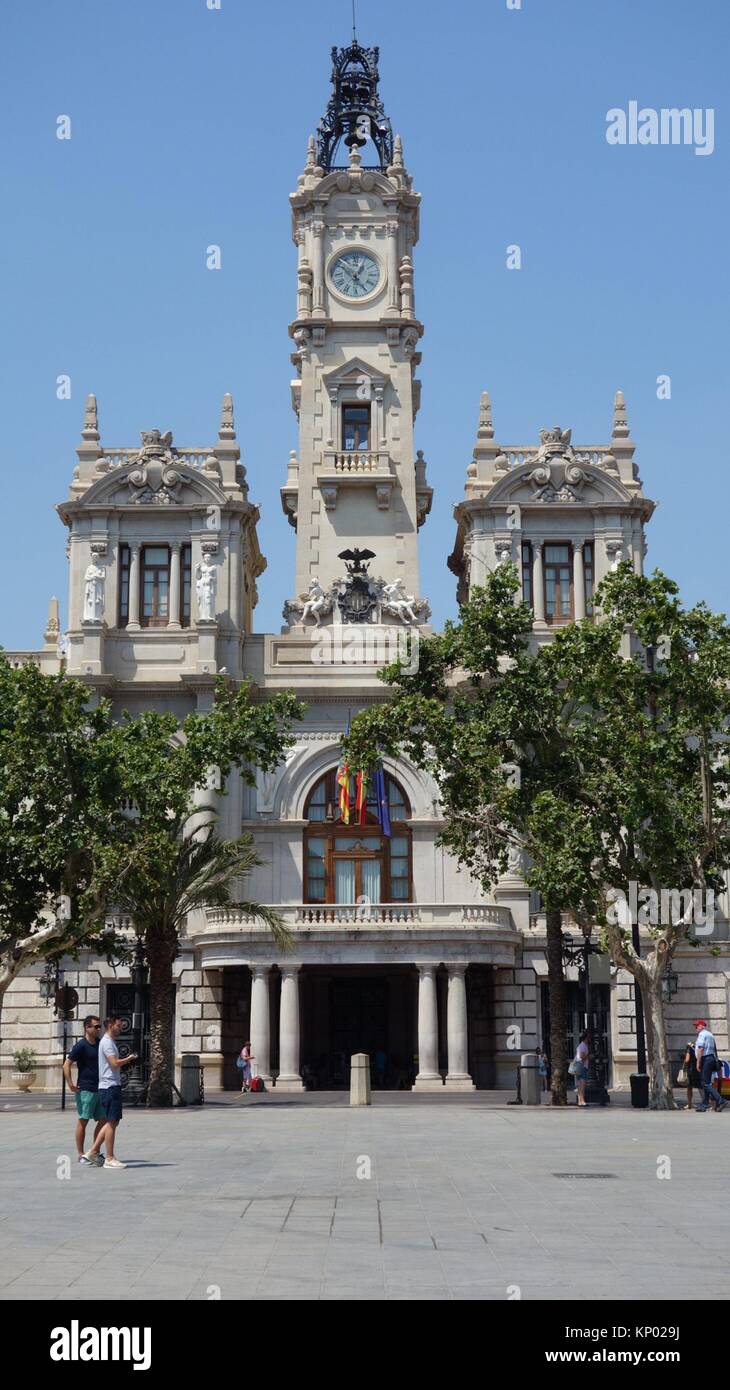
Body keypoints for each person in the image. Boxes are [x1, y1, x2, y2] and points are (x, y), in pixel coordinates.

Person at [83, 1015, 137, 1168]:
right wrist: (129, 1058)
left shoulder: (109, 1042)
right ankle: (109, 1158)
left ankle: (93, 1151)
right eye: (118, 1025)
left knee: (111, 1120)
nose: (121, 1028)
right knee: (112, 1122)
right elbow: (113, 1063)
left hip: (110, 1085)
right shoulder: (107, 1043)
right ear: (111, 1025)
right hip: (109, 1086)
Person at [63, 1015, 105, 1164]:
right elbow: (66, 1064)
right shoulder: (81, 1045)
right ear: (87, 1028)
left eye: (100, 1026)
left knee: (104, 1120)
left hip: (100, 1088)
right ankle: (80, 1154)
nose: (99, 1029)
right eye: (96, 1026)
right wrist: (70, 1084)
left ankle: (95, 1151)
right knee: (84, 1120)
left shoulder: (100, 1044)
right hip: (86, 1088)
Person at [693, 1018, 727, 1113]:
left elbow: (701, 1049)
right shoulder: (710, 1035)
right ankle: (704, 1104)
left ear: (702, 1026)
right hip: (711, 1058)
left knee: (705, 1083)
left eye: (697, 1026)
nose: (696, 1028)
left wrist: (698, 1062)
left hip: (705, 1059)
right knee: (706, 1082)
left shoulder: (702, 1034)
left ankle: (720, 1100)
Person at [682, 1039, 701, 1112]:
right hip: (697, 1070)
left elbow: (687, 1060)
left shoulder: (689, 1049)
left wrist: (683, 1064)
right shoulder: (696, 1049)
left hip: (690, 1070)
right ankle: (706, 1102)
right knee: (700, 1087)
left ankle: (689, 1104)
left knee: (689, 1088)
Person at [572, 1032, 589, 1107]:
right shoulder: (583, 1046)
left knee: (579, 1084)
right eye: (588, 1037)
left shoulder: (580, 1045)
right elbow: (582, 1057)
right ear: (586, 1038)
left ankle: (580, 1101)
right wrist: (588, 1056)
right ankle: (582, 1101)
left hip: (579, 1066)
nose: (589, 1039)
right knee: (582, 1084)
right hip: (582, 1066)